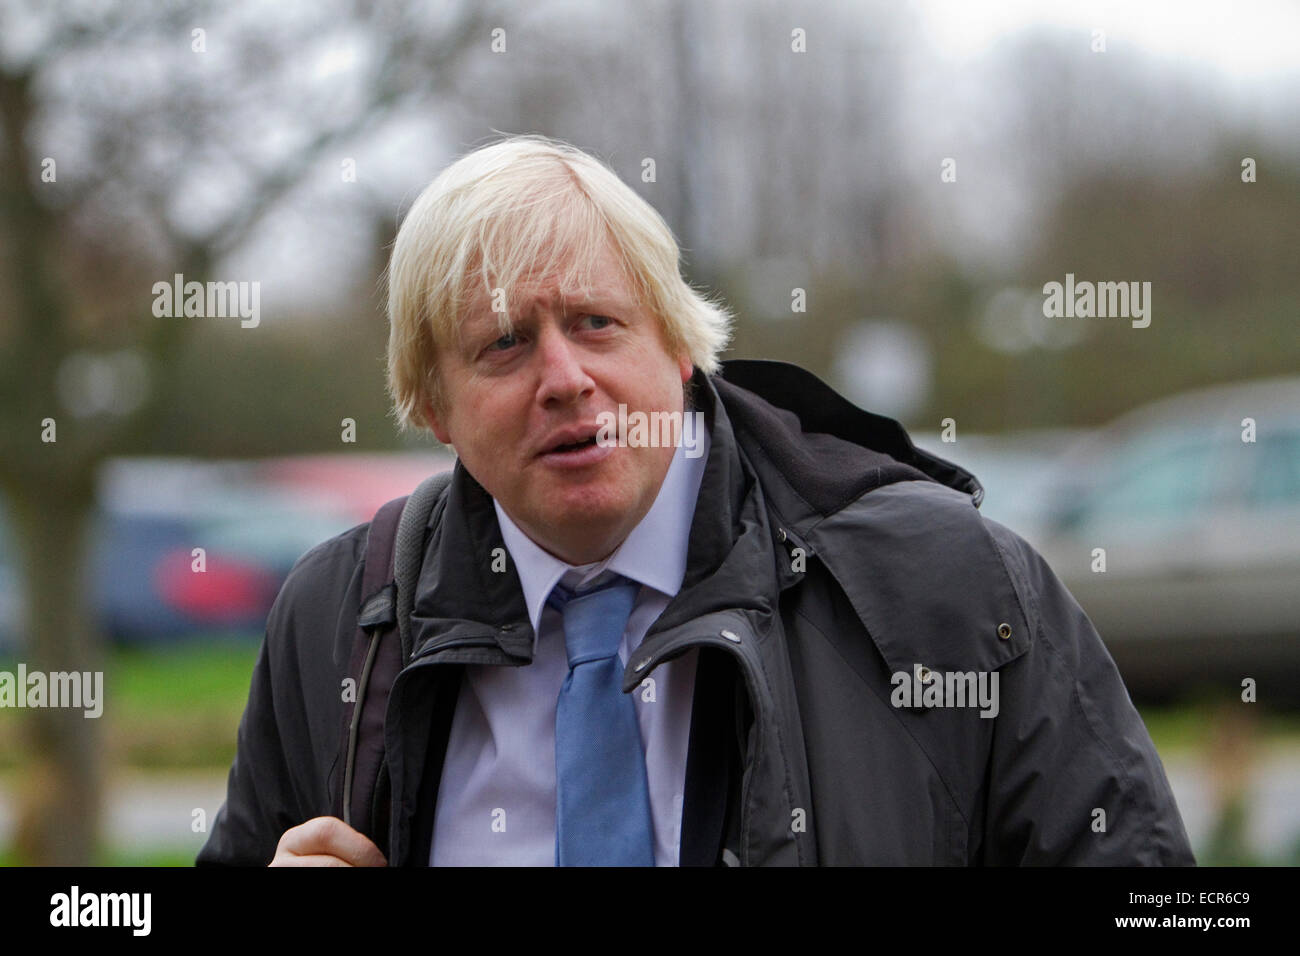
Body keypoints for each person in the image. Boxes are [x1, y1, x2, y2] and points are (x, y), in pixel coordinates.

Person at [197, 135, 1195, 866]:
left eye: (597, 322)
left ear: (678, 346)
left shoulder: (942, 586)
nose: (565, 377)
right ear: (431, 406)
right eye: (504, 342)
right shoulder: (341, 617)